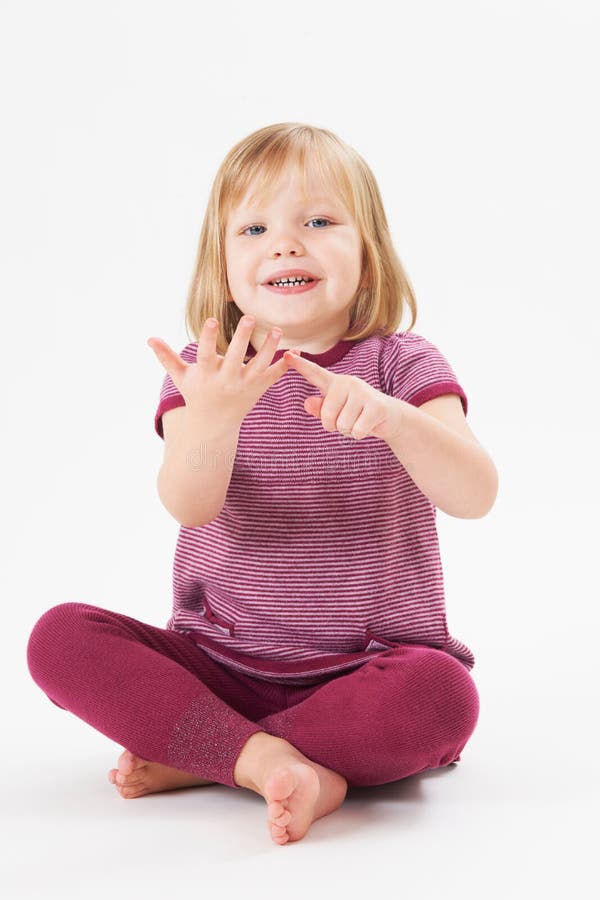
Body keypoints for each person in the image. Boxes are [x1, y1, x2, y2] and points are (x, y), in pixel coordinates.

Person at [26, 122, 498, 846]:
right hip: (217, 665)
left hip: (367, 670)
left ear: (367, 259)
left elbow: (476, 494)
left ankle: (215, 753)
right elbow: (189, 502)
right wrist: (212, 419)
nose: (285, 243)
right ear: (224, 270)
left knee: (442, 699)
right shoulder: (202, 371)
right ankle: (270, 759)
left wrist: (397, 422)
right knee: (58, 638)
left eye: (318, 221)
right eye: (254, 227)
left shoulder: (401, 364)